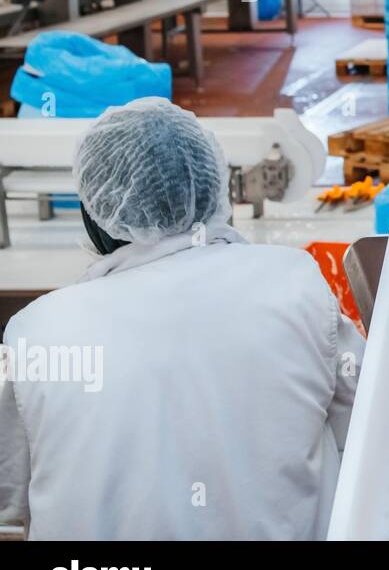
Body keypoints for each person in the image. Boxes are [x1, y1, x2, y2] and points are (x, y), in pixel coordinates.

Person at [0, 98, 364, 539]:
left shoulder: (35, 335)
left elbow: (9, 498)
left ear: (96, 211)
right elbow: (367, 425)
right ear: (212, 186)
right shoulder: (295, 282)